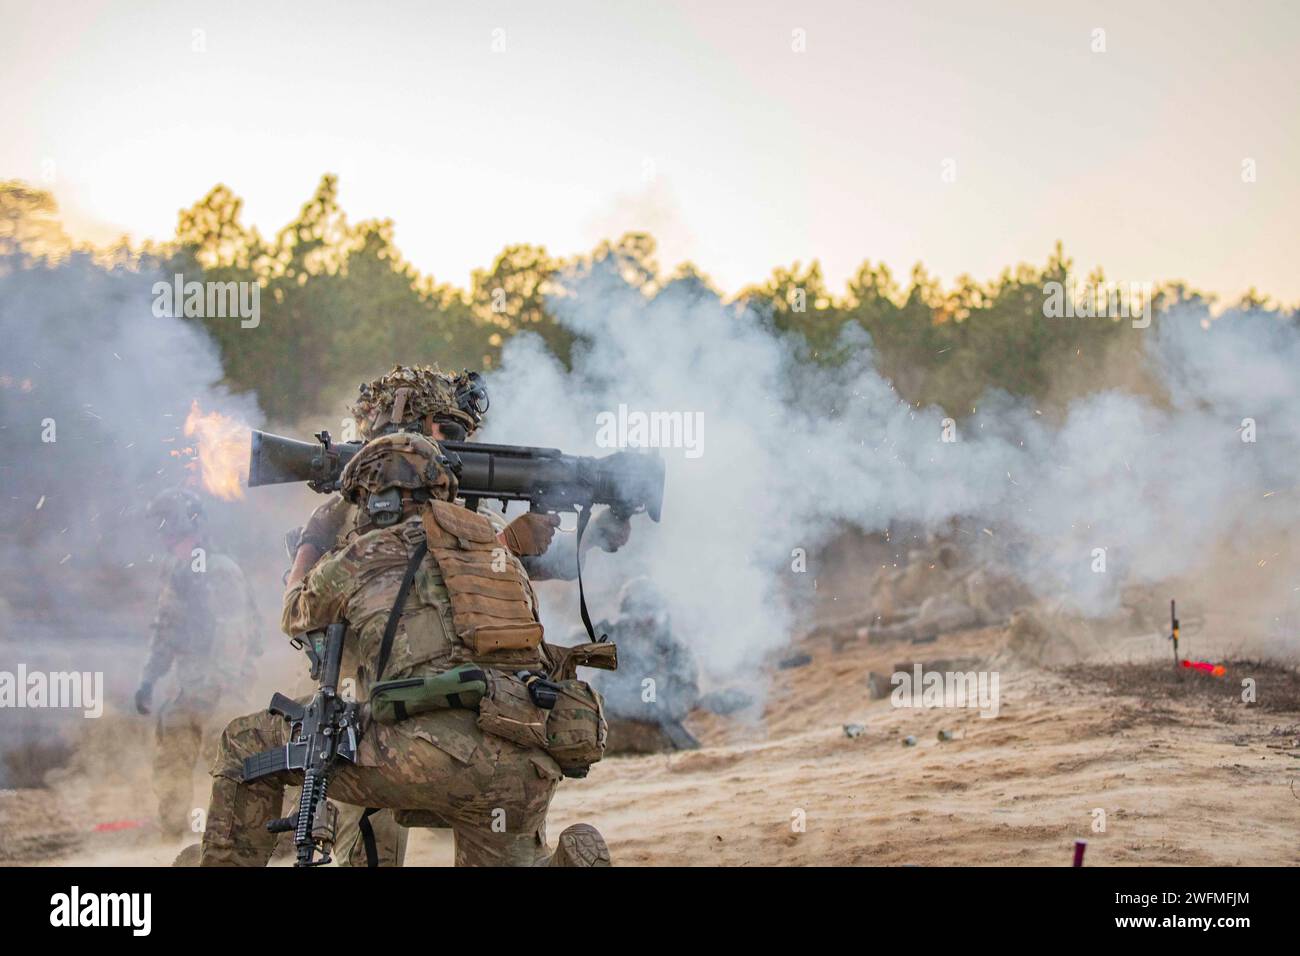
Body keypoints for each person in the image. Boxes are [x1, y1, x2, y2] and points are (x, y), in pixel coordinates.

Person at [199, 430, 610, 866]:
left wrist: (312, 541)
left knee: (245, 743)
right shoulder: (497, 553)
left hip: (425, 750)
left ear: (374, 499)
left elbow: (295, 613)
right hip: (520, 755)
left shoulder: (364, 553)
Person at [135, 488, 260, 838]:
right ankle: (172, 833)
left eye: (175, 533)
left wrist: (221, 687)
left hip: (225, 685)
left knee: (227, 760)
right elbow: (166, 629)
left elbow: (235, 633)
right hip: (191, 683)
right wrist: (149, 679)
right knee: (172, 747)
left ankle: (244, 837)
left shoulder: (221, 571)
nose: (170, 541)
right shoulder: (177, 571)